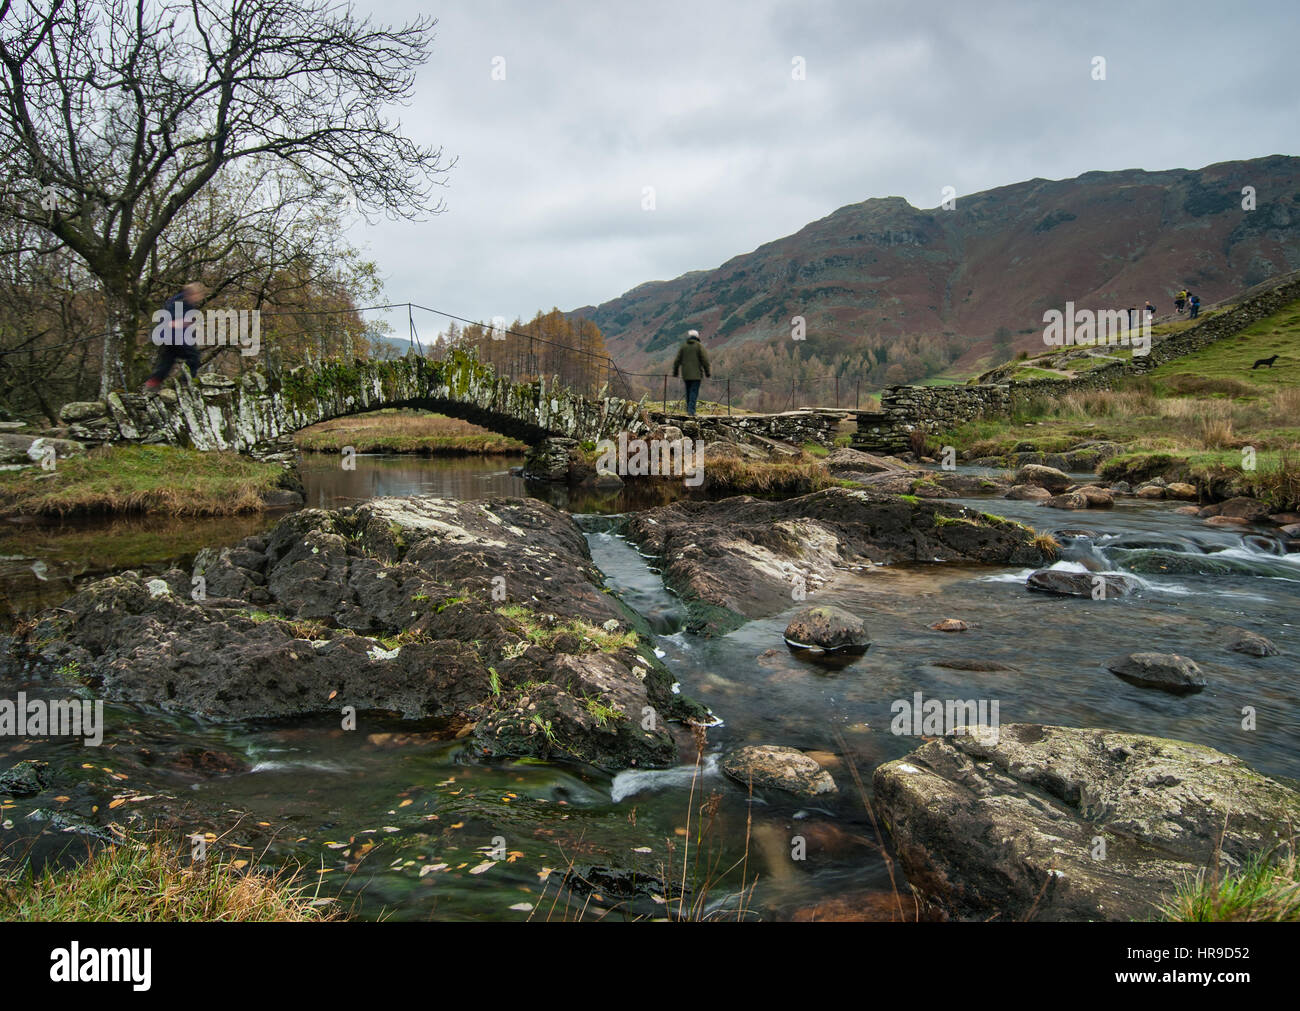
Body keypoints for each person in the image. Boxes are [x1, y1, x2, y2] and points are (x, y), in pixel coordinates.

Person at [144, 281, 206, 392]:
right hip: (174, 337)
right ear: (192, 294)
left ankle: (153, 382)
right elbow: (170, 320)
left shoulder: (184, 302)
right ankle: (186, 381)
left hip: (173, 337)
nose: (199, 298)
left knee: (168, 361)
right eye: (198, 295)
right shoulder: (179, 302)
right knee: (194, 356)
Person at [671, 329, 711, 417]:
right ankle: (691, 411)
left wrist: (675, 372)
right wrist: (707, 372)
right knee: (694, 392)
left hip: (685, 374)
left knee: (688, 391)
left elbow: (677, 360)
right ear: (697, 337)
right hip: (696, 374)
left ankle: (689, 409)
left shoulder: (683, 347)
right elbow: (705, 360)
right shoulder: (699, 346)